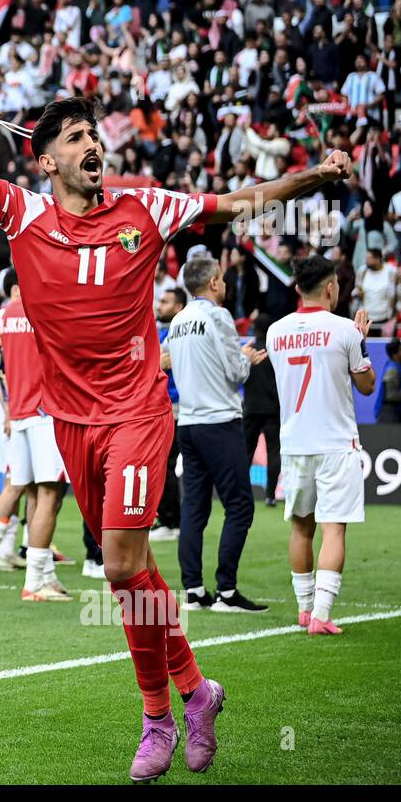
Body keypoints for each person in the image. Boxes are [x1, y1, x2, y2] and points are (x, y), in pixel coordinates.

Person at [0, 32, 355, 781]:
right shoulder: (21, 214)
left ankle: (156, 715)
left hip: (139, 411)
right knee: (132, 574)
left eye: (96, 134)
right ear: (46, 159)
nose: (94, 144)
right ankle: (196, 691)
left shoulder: (146, 207)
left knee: (120, 560)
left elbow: (239, 204)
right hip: (70, 420)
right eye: (77, 138)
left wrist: (313, 175)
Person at [266, 255, 376, 636]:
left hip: (294, 444)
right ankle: (323, 615)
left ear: (298, 288)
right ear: (331, 288)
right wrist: (362, 342)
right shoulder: (346, 330)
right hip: (335, 444)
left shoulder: (275, 332)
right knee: (334, 530)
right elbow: (366, 385)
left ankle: (304, 609)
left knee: (300, 529)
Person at [163, 257, 267, 614]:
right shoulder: (217, 316)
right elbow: (235, 371)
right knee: (239, 505)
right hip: (219, 421)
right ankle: (226, 592)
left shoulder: (177, 321)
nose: (224, 284)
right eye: (221, 279)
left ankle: (193, 590)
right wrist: (246, 357)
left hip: (188, 422)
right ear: (212, 283)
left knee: (194, 508)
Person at [0, 268, 71, 603]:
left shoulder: (7, 315)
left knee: (31, 494)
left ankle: (44, 574)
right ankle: (35, 582)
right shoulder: (47, 310)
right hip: (46, 415)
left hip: (18, 414)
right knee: (49, 497)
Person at [151, 286, 186, 545]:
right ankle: (171, 519)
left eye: (165, 301)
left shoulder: (177, 332)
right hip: (163, 406)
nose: (159, 305)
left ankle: (172, 521)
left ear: (179, 307)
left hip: (174, 407)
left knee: (165, 465)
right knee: (164, 465)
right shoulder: (161, 331)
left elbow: (162, 364)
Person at [243, 314, 282, 509]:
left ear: (254, 328)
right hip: (272, 408)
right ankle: (270, 495)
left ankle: (241, 492)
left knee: (246, 451)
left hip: (250, 407)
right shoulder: (275, 350)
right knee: (274, 451)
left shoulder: (247, 350)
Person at [354, 247, 400, 336]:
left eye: (369, 258)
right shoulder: (362, 271)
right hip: (366, 317)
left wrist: (395, 315)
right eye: (366, 258)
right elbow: (356, 289)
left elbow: (398, 293)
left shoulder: (391, 271)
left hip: (385, 317)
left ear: (378, 259)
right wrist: (358, 293)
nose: (366, 261)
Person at [375, 338, 401, 423]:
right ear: (395, 354)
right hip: (388, 414)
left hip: (400, 412)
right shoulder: (392, 371)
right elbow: (391, 395)